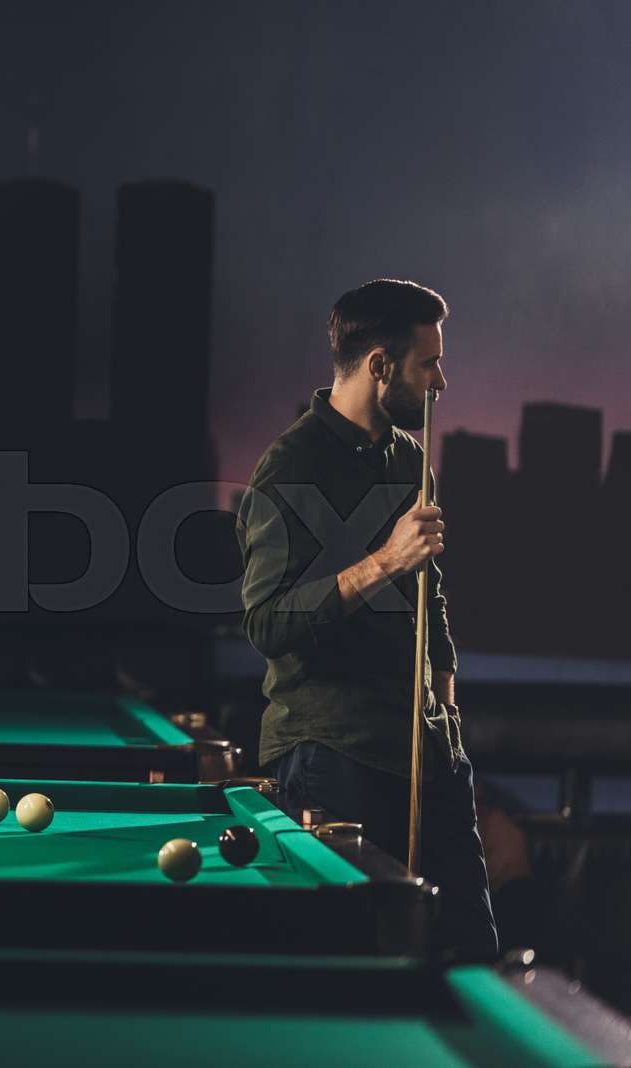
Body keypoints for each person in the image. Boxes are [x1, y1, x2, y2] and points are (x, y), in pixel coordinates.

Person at [234, 278, 498, 961]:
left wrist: (444, 705)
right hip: (333, 754)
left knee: (470, 948)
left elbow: (430, 596)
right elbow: (267, 624)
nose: (441, 381)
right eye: (428, 364)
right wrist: (382, 561)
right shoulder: (289, 467)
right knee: (356, 957)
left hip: (427, 750)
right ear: (380, 365)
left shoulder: (411, 460)